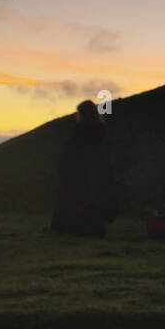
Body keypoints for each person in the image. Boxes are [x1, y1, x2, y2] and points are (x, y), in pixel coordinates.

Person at [50, 100, 118, 236]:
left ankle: (73, 229)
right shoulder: (101, 129)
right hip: (96, 172)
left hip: (79, 171)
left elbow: (71, 151)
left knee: (75, 200)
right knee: (93, 201)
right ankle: (93, 229)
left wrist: (65, 168)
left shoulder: (81, 129)